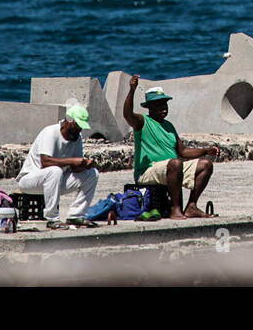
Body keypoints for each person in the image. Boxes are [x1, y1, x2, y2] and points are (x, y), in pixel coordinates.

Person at [123, 75, 221, 219]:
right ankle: (175, 209)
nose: (164, 108)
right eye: (159, 104)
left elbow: (183, 151)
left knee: (205, 165)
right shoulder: (143, 122)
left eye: (165, 104)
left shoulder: (169, 126)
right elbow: (127, 115)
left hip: (172, 169)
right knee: (175, 163)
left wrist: (206, 151)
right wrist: (132, 90)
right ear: (149, 107)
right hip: (148, 171)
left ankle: (191, 207)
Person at [17, 105, 99, 227]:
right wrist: (72, 161)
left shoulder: (77, 138)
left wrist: (84, 165)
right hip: (30, 180)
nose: (79, 130)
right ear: (68, 121)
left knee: (92, 173)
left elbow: (74, 168)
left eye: (81, 127)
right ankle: (52, 218)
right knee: (55, 171)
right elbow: (45, 162)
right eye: (77, 126)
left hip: (55, 181)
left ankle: (76, 215)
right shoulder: (50, 132)